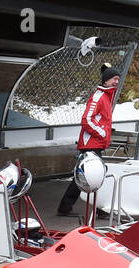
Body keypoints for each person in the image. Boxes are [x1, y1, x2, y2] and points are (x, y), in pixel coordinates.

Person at [57, 64, 119, 217]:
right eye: (114, 79)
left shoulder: (106, 96)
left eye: (118, 79)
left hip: (95, 143)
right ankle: (98, 209)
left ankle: (67, 207)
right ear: (105, 81)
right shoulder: (99, 96)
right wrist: (102, 133)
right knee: (92, 175)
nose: (117, 82)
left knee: (87, 176)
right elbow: (86, 120)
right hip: (91, 144)